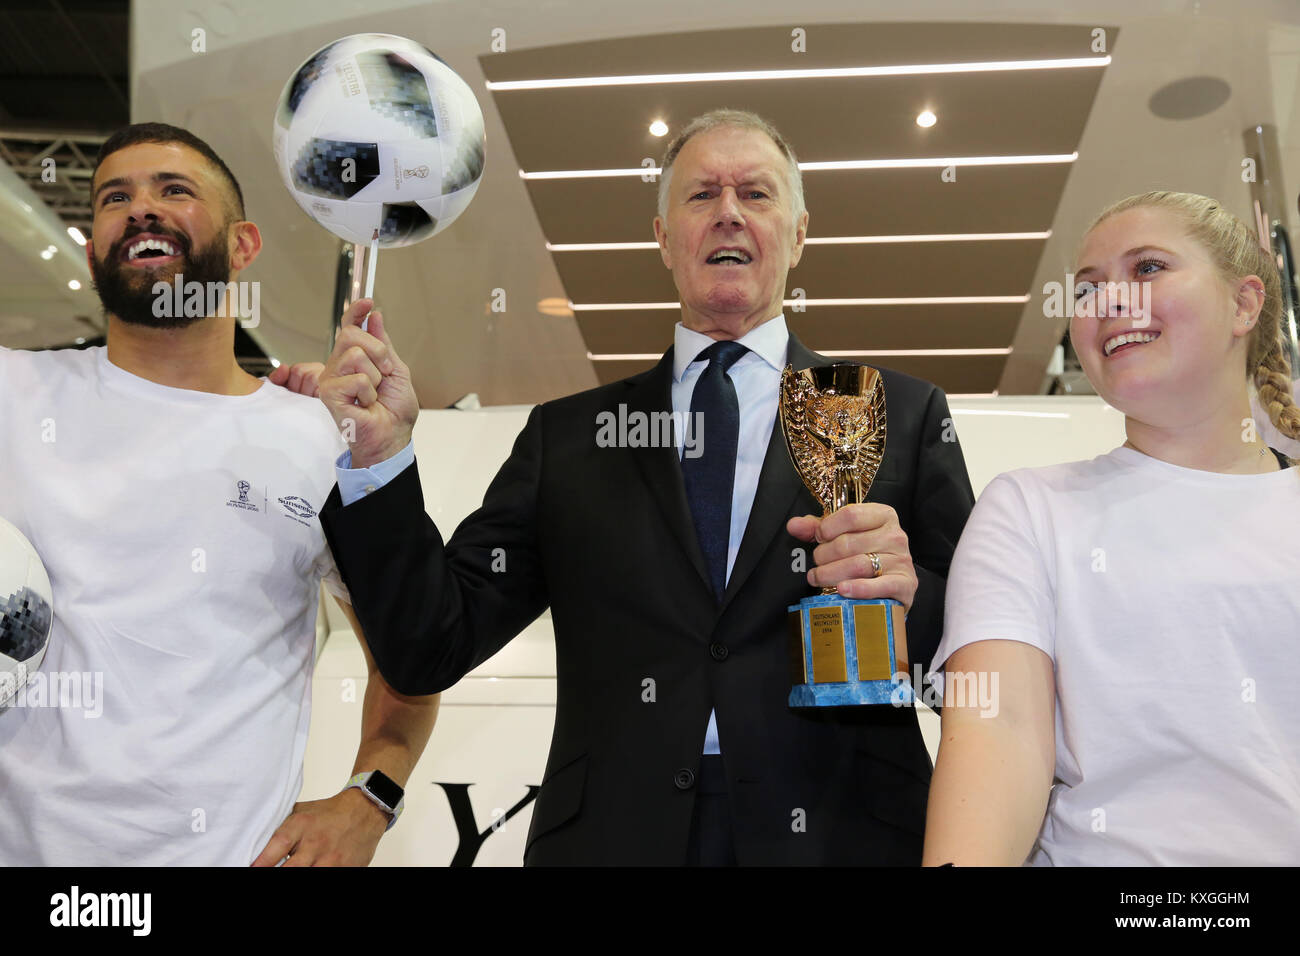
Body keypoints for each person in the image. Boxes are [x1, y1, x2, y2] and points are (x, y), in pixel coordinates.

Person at [317, 109, 974, 865]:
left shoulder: (900, 410)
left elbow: (977, 676)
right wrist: (382, 461)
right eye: (701, 195)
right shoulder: (566, 438)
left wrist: (909, 599)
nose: (728, 211)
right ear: (663, 238)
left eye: (756, 194)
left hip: (842, 837)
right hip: (614, 840)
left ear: (798, 235)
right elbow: (429, 646)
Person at [0, 123, 438, 866]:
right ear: (91, 247)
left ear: (243, 246)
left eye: (173, 190)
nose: (141, 208)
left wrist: (370, 799)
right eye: (115, 196)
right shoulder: (13, 393)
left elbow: (412, 666)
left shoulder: (315, 439)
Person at [922, 191, 1300, 866]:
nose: (1108, 301)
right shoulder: (1030, 510)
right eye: (1088, 288)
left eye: (1148, 268)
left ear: (1245, 305)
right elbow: (1000, 736)